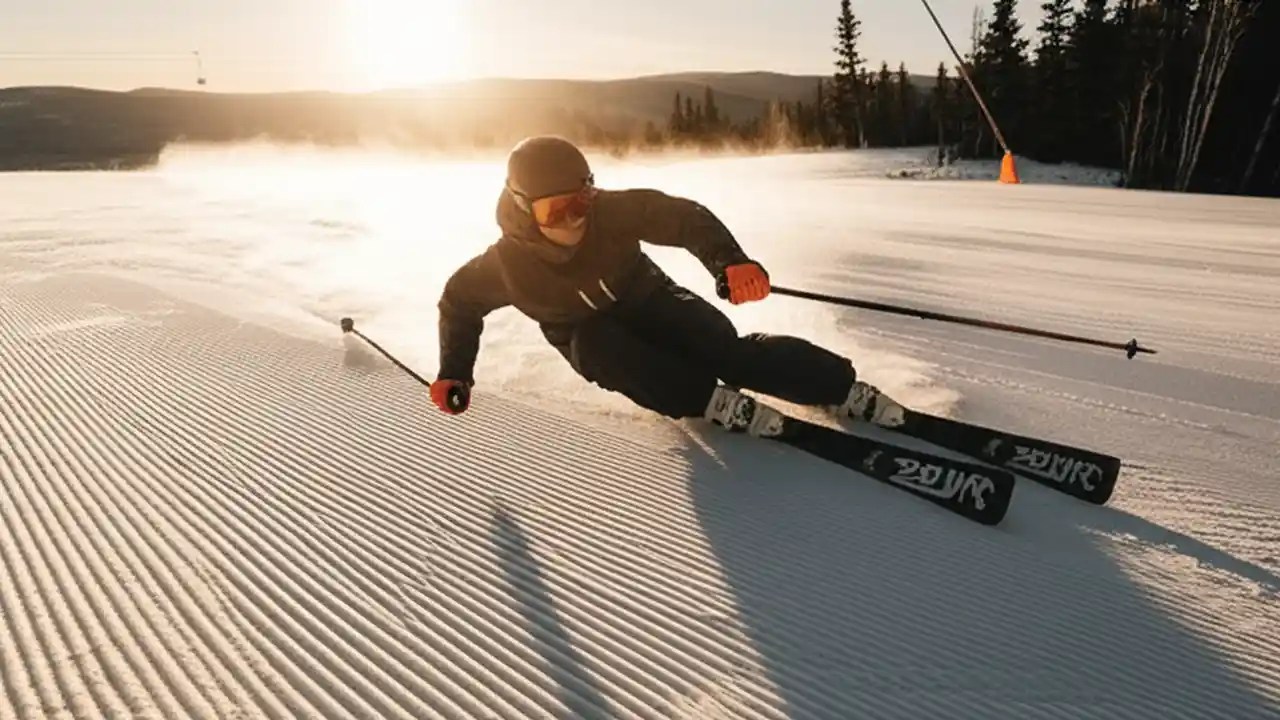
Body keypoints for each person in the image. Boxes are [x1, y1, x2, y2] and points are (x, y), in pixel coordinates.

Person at [429, 135, 902, 435]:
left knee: (726, 352)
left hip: (650, 298)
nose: (576, 218)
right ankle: (706, 401)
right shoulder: (506, 266)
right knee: (598, 344)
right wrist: (454, 370)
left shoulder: (610, 213)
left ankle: (843, 389)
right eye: (557, 211)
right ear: (522, 208)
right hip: (591, 337)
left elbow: (681, 218)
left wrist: (730, 263)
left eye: (583, 200)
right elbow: (459, 303)